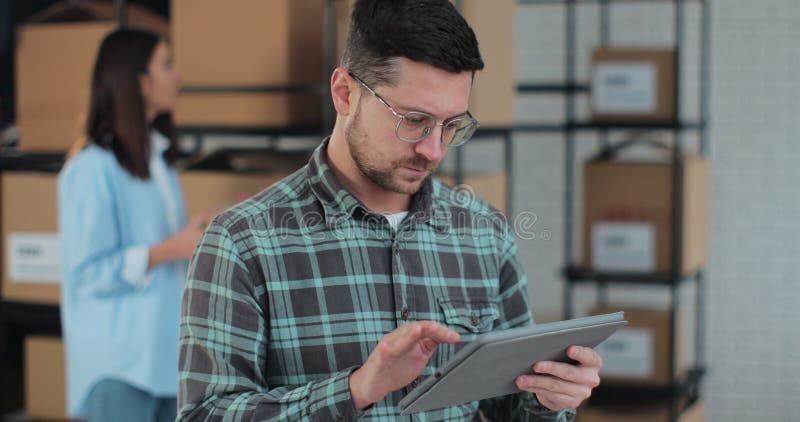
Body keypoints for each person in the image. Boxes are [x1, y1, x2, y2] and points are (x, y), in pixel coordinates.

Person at [178, 1, 602, 420]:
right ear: (345, 94)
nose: (433, 150)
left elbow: (513, 407)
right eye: (414, 120)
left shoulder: (484, 232)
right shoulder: (241, 242)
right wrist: (358, 388)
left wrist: (548, 399)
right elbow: (205, 415)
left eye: (452, 125)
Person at [58, 29, 209, 422]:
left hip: (165, 363)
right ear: (140, 82)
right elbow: (87, 273)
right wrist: (169, 249)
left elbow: (169, 249)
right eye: (167, 64)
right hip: (120, 368)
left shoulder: (158, 162)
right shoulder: (91, 168)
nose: (178, 76)